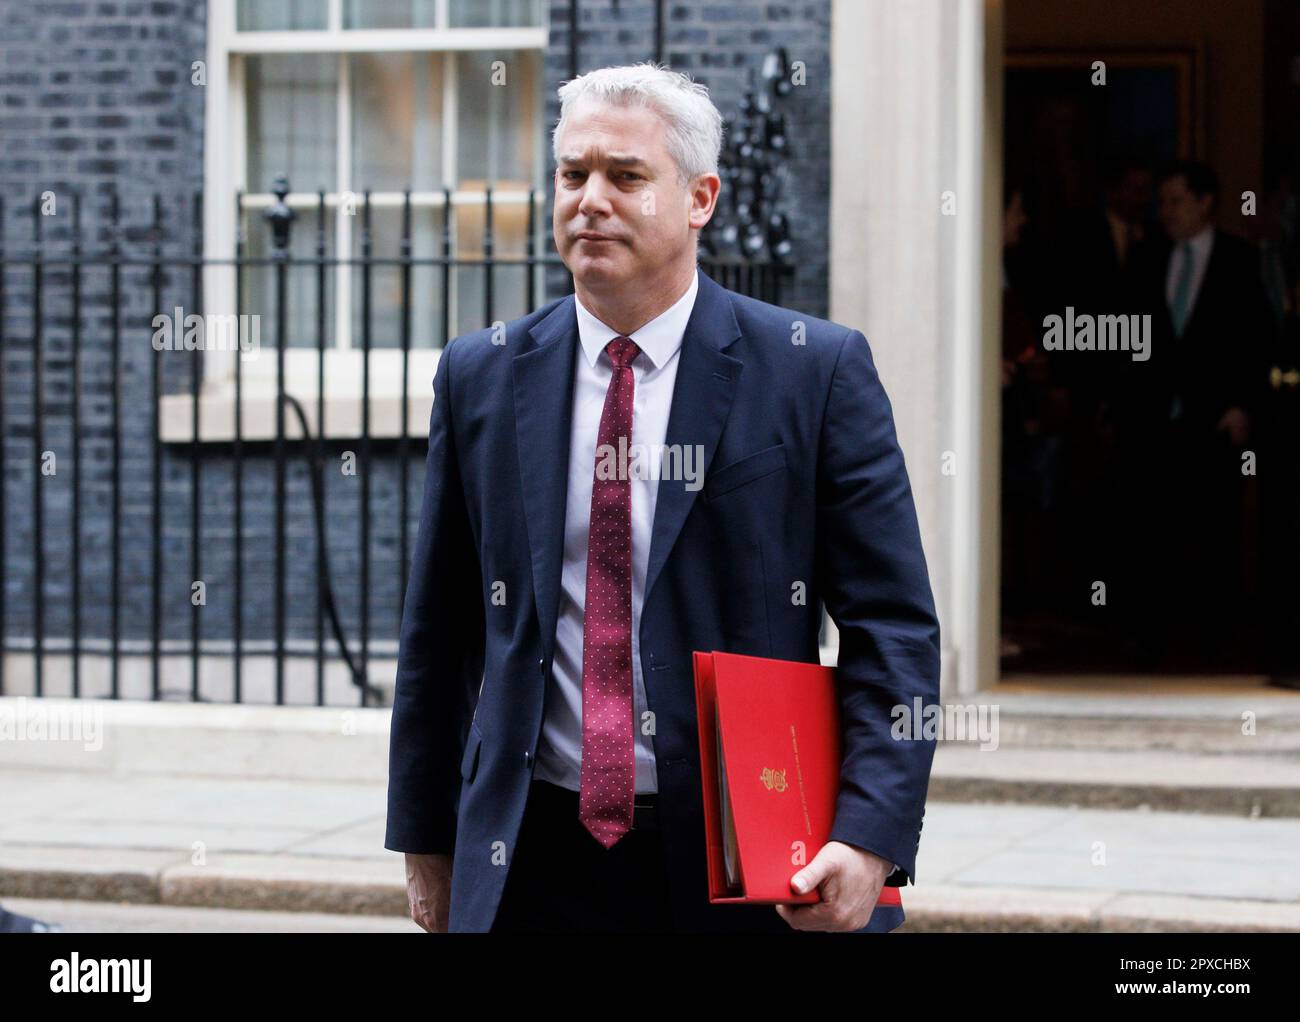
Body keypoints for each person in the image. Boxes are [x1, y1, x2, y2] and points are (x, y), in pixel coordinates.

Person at [385, 62, 940, 934]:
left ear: (700, 199)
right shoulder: (481, 372)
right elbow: (440, 625)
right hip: (531, 852)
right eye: (573, 174)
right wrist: (426, 837)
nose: (589, 200)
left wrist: (870, 835)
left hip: (735, 860)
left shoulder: (813, 370)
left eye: (626, 175)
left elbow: (893, 625)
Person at [1117, 160, 1274, 665]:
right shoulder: (1145, 257)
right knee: (1148, 533)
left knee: (1215, 535)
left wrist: (1244, 406)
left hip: (1215, 424)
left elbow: (1260, 341)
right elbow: (1126, 337)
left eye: (1177, 200)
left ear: (1207, 202)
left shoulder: (1241, 260)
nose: (1166, 211)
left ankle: (1217, 646)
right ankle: (1147, 644)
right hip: (1153, 422)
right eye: (1162, 201)